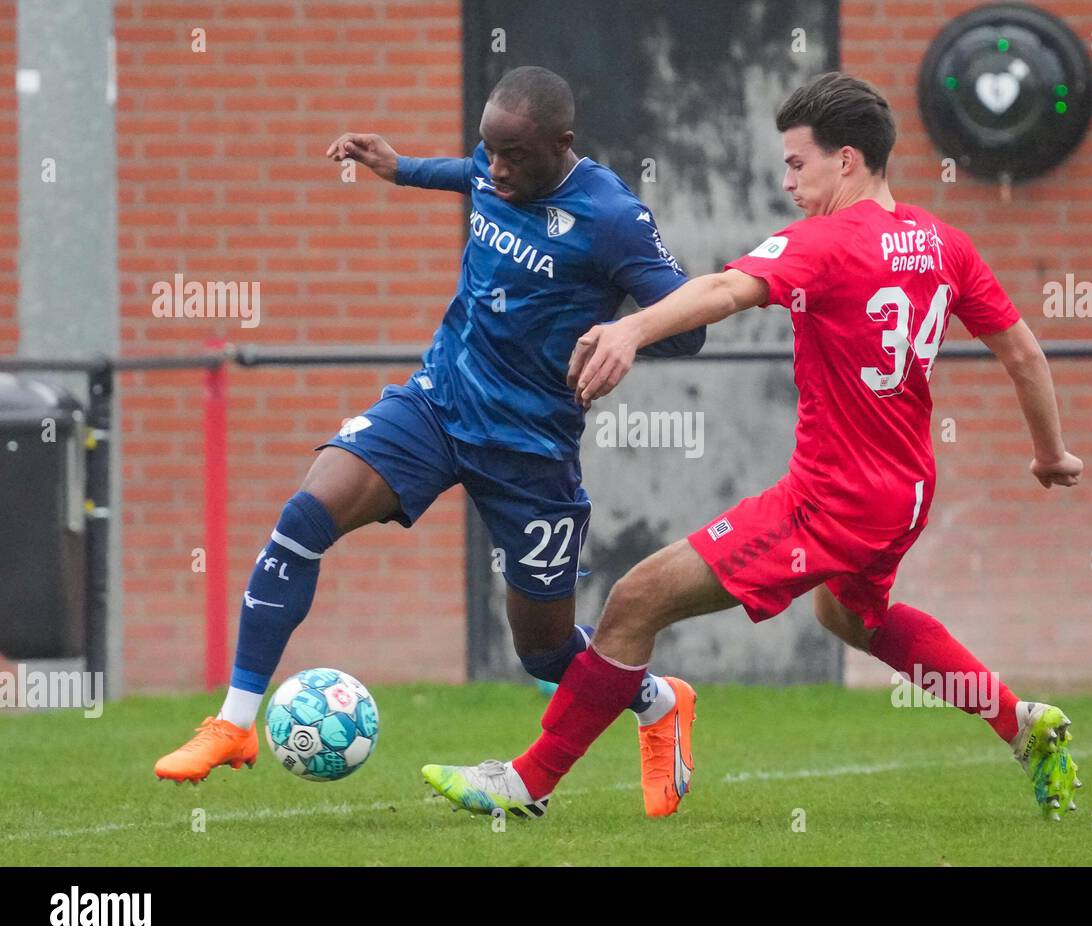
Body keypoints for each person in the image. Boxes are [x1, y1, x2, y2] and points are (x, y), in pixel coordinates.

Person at [422, 72, 1084, 822]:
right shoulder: (944, 242)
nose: (787, 181)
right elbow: (1023, 353)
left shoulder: (823, 242)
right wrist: (1050, 453)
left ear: (847, 159)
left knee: (635, 600)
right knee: (852, 619)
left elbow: (724, 291)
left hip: (831, 500)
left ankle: (525, 782)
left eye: (797, 163)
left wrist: (631, 327)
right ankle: (1019, 722)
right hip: (905, 493)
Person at [155, 66, 705, 818]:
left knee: (544, 653)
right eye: (489, 149)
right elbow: (468, 174)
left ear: (562, 144)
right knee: (306, 515)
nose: (496, 169)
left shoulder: (611, 217)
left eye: (513, 155)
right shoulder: (495, 166)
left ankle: (657, 700)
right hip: (437, 404)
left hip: (529, 451)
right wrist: (400, 167)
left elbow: (690, 327)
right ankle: (233, 723)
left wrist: (628, 332)